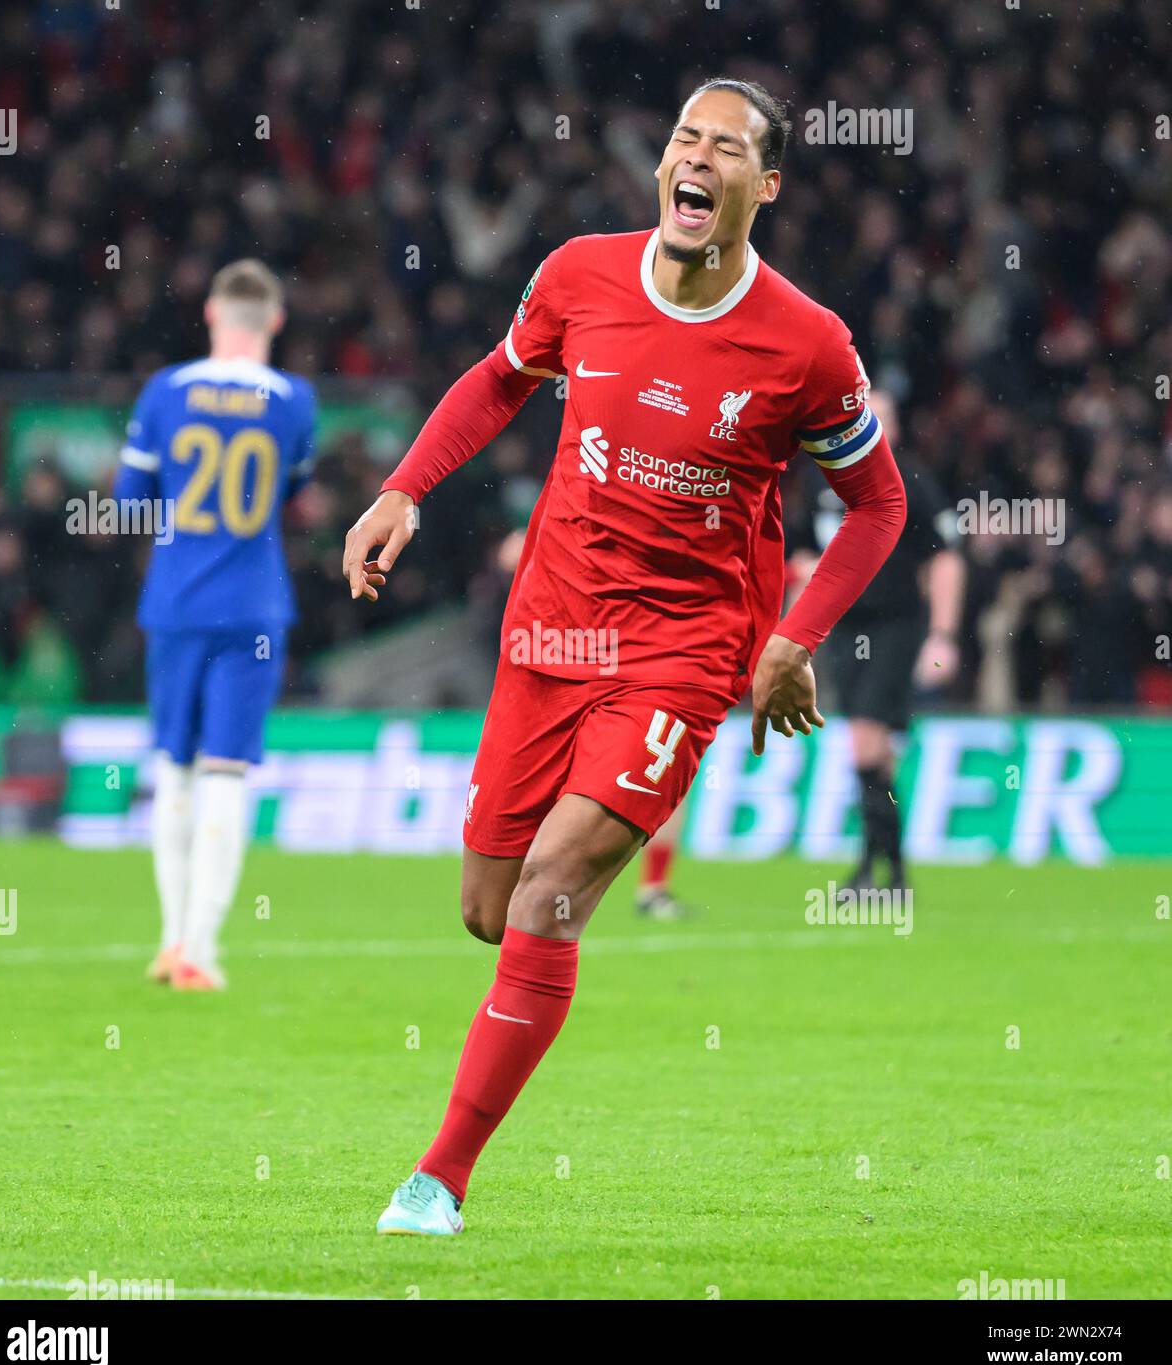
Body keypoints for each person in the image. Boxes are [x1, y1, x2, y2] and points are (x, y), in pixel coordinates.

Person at [342, 78, 907, 1235]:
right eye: (684, 138)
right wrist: (405, 487)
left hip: (685, 650)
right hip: (550, 628)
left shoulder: (807, 344)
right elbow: (502, 378)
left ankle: (436, 1180)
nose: (697, 157)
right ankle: (561, 923)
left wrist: (792, 638)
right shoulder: (579, 275)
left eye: (727, 146)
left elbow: (880, 504)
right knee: (490, 911)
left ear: (766, 184)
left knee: (549, 895)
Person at [114, 260, 317, 991]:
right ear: (276, 322)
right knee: (227, 769)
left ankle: (171, 941)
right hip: (254, 608)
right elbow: (295, 489)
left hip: (175, 605)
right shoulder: (294, 401)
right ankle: (201, 946)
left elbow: (129, 495)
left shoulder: (166, 391)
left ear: (210, 314)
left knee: (173, 766)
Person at [789, 390, 964, 890]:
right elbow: (799, 551)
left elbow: (946, 556)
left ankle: (870, 870)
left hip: (895, 626)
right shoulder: (824, 478)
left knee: (864, 743)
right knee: (878, 752)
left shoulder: (910, 480)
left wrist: (943, 636)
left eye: (883, 419)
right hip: (844, 627)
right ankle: (894, 871)